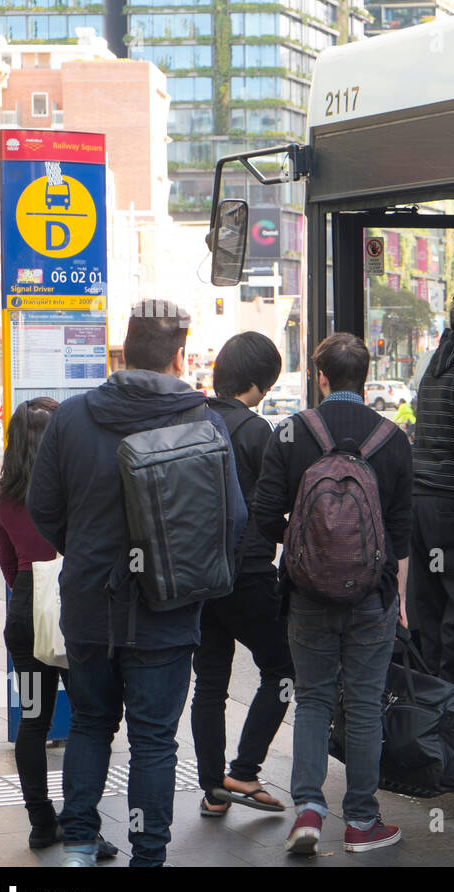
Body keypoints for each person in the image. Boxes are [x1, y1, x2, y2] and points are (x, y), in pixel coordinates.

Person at [27, 299, 248, 867]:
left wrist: (85, 553)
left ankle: (77, 841)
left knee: (92, 723)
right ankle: (148, 854)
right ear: (178, 355)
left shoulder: (72, 418)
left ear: (123, 352)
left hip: (90, 605)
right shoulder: (204, 421)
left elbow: (43, 508)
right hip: (167, 610)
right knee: (154, 741)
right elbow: (235, 520)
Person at [253, 332, 412, 855]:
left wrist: (302, 546)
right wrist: (400, 599)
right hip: (373, 595)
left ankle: (309, 813)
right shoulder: (394, 438)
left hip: (306, 595)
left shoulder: (292, 433)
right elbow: (402, 531)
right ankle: (363, 822)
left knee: (314, 699)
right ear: (365, 377)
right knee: (365, 705)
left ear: (321, 377)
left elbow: (262, 516)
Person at [0, 398, 120, 858]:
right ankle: (82, 824)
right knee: (88, 719)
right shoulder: (70, 488)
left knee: (33, 720)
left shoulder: (3, 496)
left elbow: (8, 567)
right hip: (72, 610)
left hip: (25, 615)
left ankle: (40, 823)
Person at [192, 332, 295, 818]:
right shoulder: (258, 433)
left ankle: (214, 789)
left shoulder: (191, 421)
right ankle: (246, 770)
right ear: (259, 383)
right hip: (248, 575)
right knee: (283, 667)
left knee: (209, 682)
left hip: (193, 578)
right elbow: (276, 509)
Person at [409, 291, 454, 685]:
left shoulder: (437, 362)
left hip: (421, 499)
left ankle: (430, 691)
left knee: (428, 602)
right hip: (451, 500)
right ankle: (452, 696)